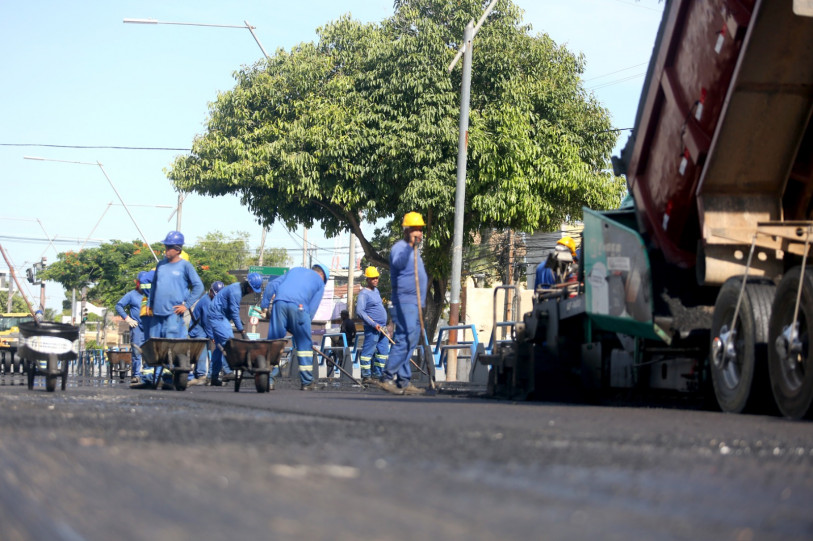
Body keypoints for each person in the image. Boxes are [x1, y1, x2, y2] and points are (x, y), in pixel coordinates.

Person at [132, 231, 204, 389]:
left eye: (169, 247)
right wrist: (150, 303)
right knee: (154, 348)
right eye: (166, 246)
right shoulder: (161, 265)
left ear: (177, 249)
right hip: (157, 315)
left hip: (173, 316)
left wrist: (186, 305)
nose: (166, 249)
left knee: (172, 349)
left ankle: (169, 379)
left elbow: (199, 286)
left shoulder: (185, 266)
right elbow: (155, 285)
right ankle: (149, 379)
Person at [380, 212, 427, 395]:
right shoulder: (400, 248)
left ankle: (403, 382)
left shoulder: (414, 250)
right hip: (404, 302)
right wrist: (410, 246)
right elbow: (398, 263)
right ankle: (386, 377)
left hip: (415, 304)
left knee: (412, 340)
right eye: (416, 229)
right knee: (404, 339)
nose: (419, 233)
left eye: (421, 230)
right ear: (407, 230)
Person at [264, 264, 328, 391]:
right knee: (304, 345)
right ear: (322, 276)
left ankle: (268, 380)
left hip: (279, 303)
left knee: (274, 342)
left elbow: (272, 285)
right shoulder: (319, 283)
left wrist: (264, 306)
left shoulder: (294, 270)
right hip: (300, 308)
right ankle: (307, 382)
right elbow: (312, 308)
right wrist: (302, 329)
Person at [207, 273, 263, 386]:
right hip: (218, 316)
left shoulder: (237, 288)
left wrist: (239, 322)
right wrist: (242, 331)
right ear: (248, 287)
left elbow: (231, 311)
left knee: (219, 348)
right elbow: (234, 311)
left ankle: (212, 377)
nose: (252, 292)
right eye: (252, 290)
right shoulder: (236, 292)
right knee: (229, 343)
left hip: (219, 316)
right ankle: (228, 371)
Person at [356, 266, 389, 384]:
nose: (375, 280)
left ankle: (378, 374)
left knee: (383, 352)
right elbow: (360, 311)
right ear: (367, 280)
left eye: (376, 278)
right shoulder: (364, 294)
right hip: (373, 328)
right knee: (367, 353)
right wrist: (373, 324)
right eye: (372, 278)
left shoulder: (376, 291)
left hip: (383, 328)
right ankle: (366, 376)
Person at [187, 280, 224, 386]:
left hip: (202, 329)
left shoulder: (212, 300)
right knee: (202, 349)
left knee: (201, 351)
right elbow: (207, 323)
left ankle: (198, 373)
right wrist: (213, 337)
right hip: (198, 330)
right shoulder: (207, 302)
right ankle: (202, 374)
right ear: (210, 291)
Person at [115, 271, 149, 383]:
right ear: (138, 283)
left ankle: (149, 375)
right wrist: (127, 319)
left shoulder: (152, 294)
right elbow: (119, 306)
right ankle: (136, 375)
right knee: (136, 352)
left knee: (152, 352)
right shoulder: (131, 295)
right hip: (137, 327)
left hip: (150, 327)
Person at [328, 309, 356, 378]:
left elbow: (343, 331)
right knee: (346, 355)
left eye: (341, 315)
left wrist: (339, 339)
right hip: (349, 341)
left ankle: (341, 365)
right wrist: (351, 338)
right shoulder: (351, 322)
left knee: (340, 355)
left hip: (343, 341)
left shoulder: (344, 322)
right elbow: (355, 332)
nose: (341, 316)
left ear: (344, 315)